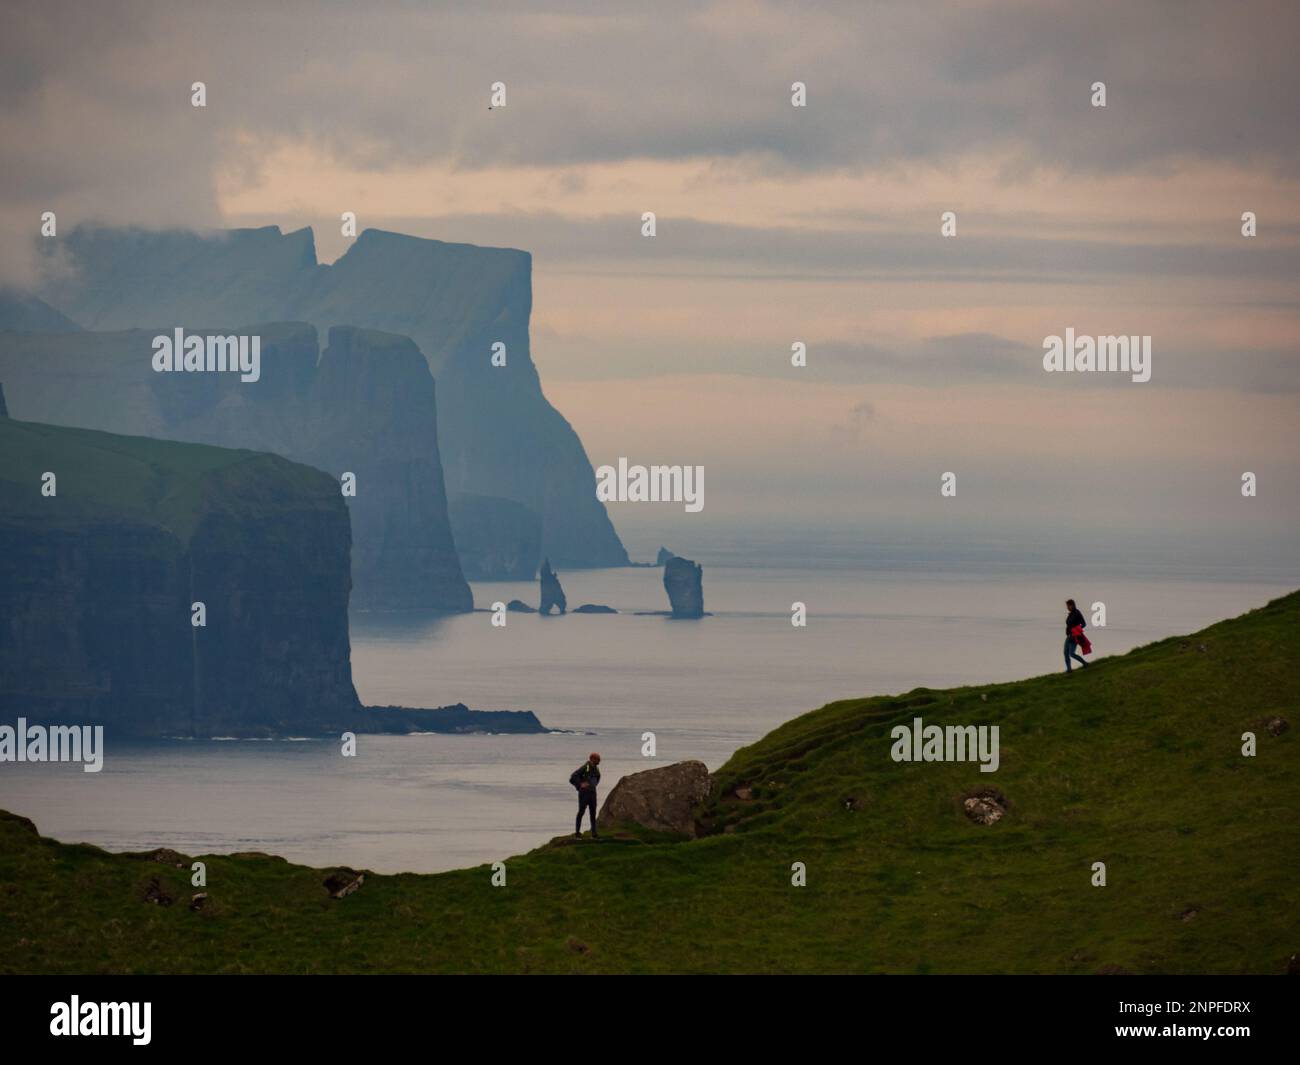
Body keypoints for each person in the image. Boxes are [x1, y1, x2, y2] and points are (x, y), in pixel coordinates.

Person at [570, 752, 601, 839]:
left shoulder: (596, 768)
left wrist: (593, 785)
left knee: (593, 813)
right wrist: (580, 785)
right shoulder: (586, 767)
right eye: (597, 759)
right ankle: (577, 833)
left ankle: (594, 834)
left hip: (592, 794)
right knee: (581, 812)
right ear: (592, 759)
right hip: (584, 794)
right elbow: (573, 777)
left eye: (599, 759)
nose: (599, 761)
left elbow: (598, 778)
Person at [1064, 598, 1089, 672]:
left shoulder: (1077, 613)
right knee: (1065, 653)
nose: (1067, 607)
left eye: (1068, 606)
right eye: (1067, 606)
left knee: (1071, 653)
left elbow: (1084, 624)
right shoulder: (1070, 614)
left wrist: (1077, 630)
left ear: (1072, 605)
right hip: (1068, 636)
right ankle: (1069, 669)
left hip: (1074, 636)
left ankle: (1085, 663)